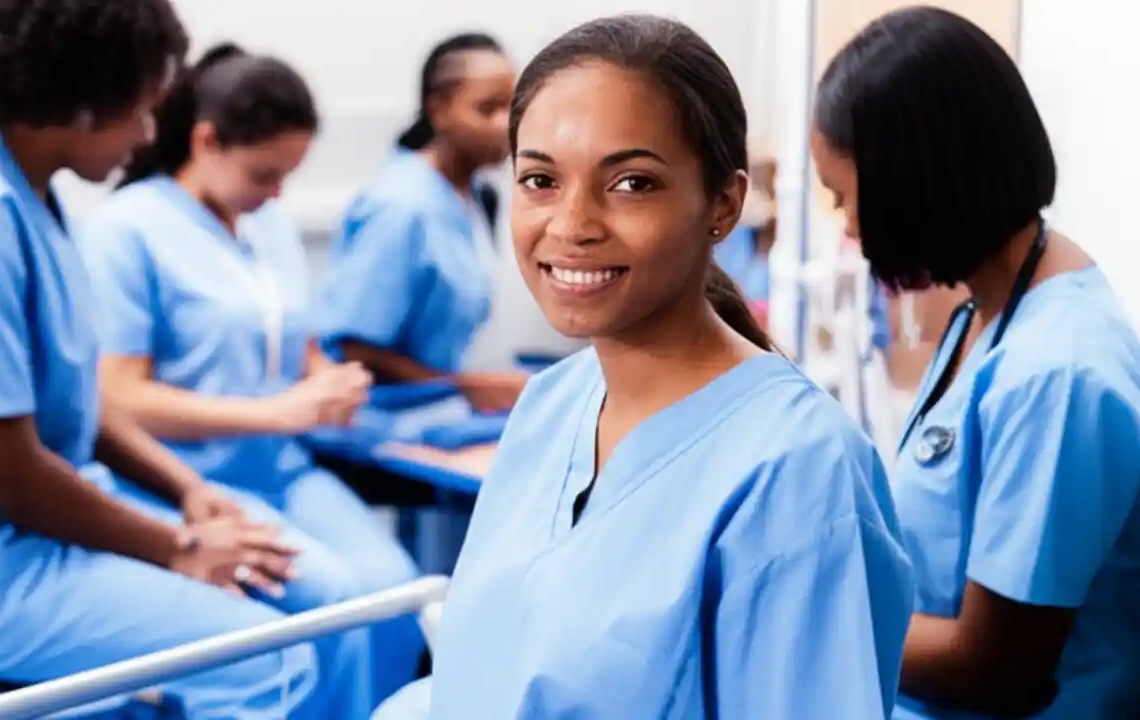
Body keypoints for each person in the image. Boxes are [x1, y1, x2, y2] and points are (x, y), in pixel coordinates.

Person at [374, 14, 914, 719]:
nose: (571, 225)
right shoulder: (550, 405)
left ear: (723, 203)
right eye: (540, 179)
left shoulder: (795, 470)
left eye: (631, 183)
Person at [0, 3, 357, 718]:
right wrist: (179, 546)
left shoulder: (26, 186)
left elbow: (75, 405)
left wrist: (187, 490)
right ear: (83, 98)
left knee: (325, 604)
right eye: (143, 112)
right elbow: (5, 477)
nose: (152, 135)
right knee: (269, 661)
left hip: (37, 522)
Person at [813, 7, 1140, 718]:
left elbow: (995, 666)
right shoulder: (984, 314)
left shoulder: (1059, 372)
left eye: (845, 196)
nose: (847, 226)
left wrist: (811, 619)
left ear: (913, 176)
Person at [79, 43, 422, 707]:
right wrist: (280, 412)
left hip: (281, 470)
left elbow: (299, 343)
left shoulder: (266, 226)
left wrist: (330, 380)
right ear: (205, 141)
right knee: (335, 602)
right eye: (265, 173)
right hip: (185, 481)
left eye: (288, 176)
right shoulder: (127, 232)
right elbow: (117, 396)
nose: (277, 193)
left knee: (396, 589)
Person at [316, 33, 526, 413]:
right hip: (380, 420)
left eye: (512, 107)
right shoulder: (401, 207)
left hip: (437, 408)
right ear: (438, 110)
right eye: (487, 108)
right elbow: (355, 350)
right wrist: (462, 387)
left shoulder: (476, 194)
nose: (504, 125)